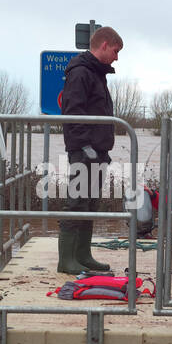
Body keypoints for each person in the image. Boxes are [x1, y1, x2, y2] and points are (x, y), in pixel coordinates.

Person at [57, 26, 124, 275]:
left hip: (97, 150)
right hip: (84, 151)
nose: (117, 57)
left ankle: (82, 255)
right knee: (77, 202)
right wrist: (85, 146)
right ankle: (66, 261)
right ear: (104, 45)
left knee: (89, 203)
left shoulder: (96, 73)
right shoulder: (81, 72)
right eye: (116, 51)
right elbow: (73, 112)